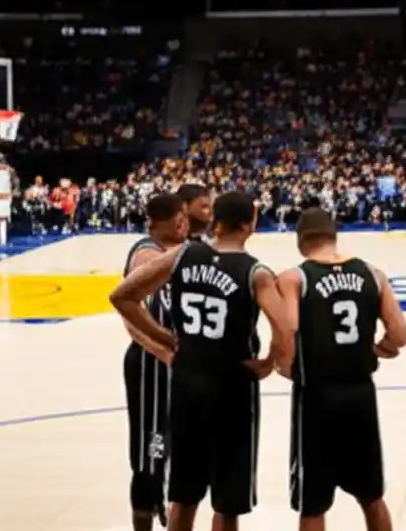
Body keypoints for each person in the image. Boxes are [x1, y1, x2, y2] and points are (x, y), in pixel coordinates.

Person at [110, 191, 293, 531]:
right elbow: (285, 328)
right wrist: (270, 360)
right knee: (227, 500)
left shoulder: (183, 255)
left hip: (187, 382)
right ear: (251, 224)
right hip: (232, 385)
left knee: (184, 494)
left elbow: (122, 296)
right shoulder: (256, 272)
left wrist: (165, 335)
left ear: (216, 222)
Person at [277, 207, 406, 531]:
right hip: (360, 393)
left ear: (300, 240)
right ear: (334, 236)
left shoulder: (295, 277)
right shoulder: (372, 273)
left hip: (317, 396)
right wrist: (381, 349)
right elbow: (400, 334)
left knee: (313, 504)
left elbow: (288, 330)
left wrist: (284, 364)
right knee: (371, 495)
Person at [119, 193, 188, 531]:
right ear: (172, 220)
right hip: (151, 363)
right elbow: (129, 306)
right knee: (149, 453)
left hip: (171, 364)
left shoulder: (174, 251)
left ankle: (163, 506)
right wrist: (165, 340)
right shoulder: (146, 251)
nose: (184, 223)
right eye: (181, 217)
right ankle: (143, 519)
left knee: (169, 448)